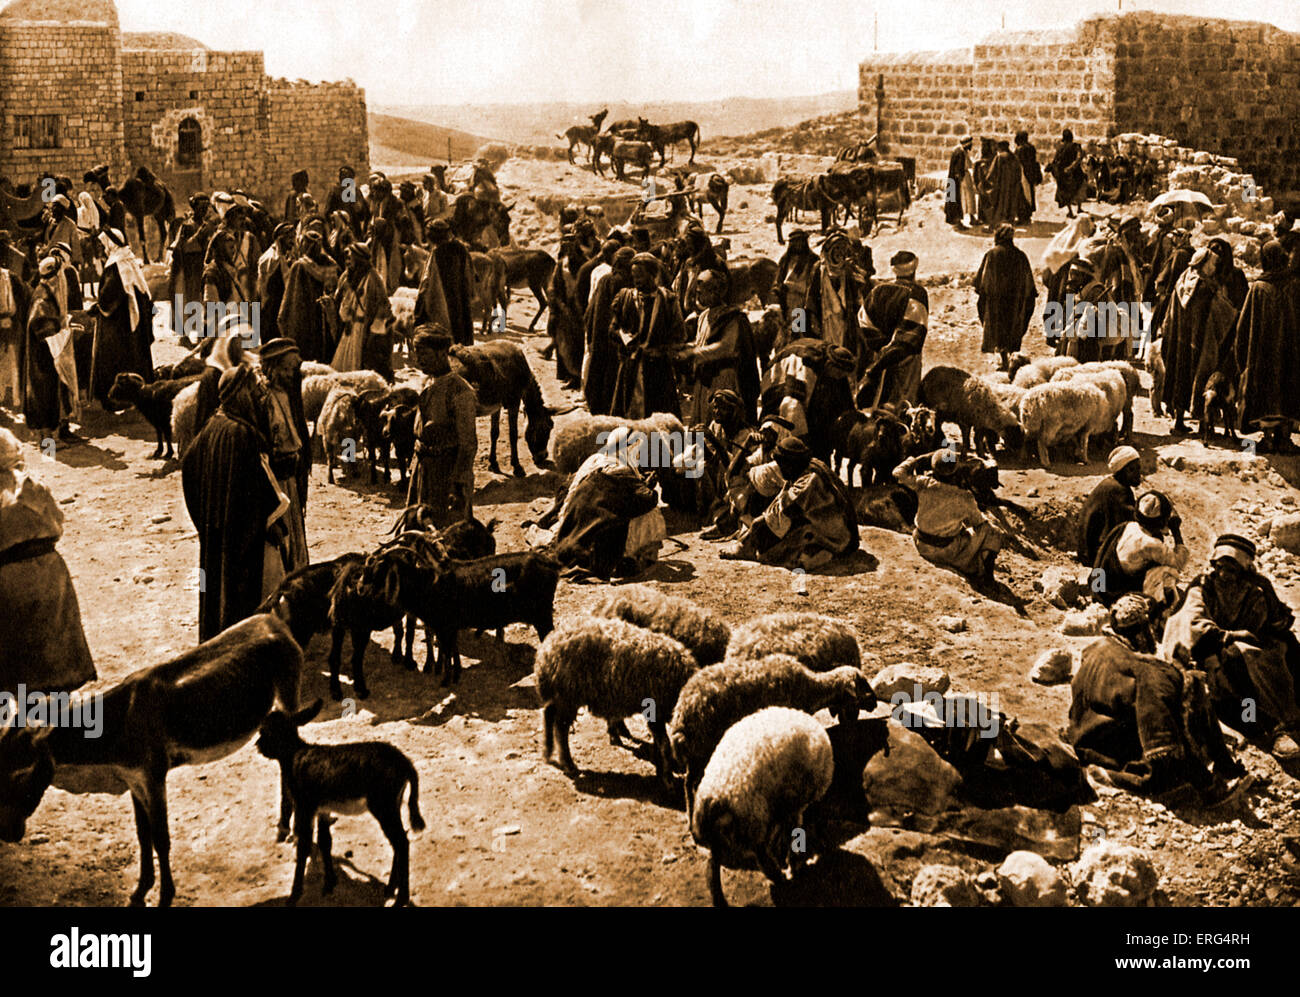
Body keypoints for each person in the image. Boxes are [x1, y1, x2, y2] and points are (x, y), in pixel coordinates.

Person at [1069, 594, 1242, 800]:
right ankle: (1214, 783)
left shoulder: (1095, 649)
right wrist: (1183, 675)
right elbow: (1160, 731)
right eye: (1150, 627)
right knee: (1190, 691)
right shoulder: (1145, 669)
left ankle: (1223, 761)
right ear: (1143, 631)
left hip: (1083, 741)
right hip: (1115, 753)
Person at [1161, 535, 1300, 761]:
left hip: (1240, 648)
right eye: (1221, 567)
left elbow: (1278, 623)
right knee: (1238, 668)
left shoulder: (1252, 588)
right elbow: (1194, 624)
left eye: (1232, 569)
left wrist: (1267, 589)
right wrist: (1230, 636)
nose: (1224, 574)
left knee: (1287, 646)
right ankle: (1265, 728)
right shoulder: (1203, 584)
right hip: (1202, 648)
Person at [182, 364, 289, 640]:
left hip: (215, 533)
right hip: (241, 537)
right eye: (252, 389)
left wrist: (205, 519)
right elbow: (259, 486)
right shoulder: (244, 435)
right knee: (240, 597)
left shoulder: (211, 426)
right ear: (240, 393)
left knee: (214, 591)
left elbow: (189, 467)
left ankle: (214, 645)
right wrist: (271, 524)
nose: (257, 395)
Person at [0, 427, 95, 696]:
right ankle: (61, 723)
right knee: (56, 647)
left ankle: (20, 725)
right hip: (49, 573)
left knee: (16, 655)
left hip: (6, 576)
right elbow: (58, 523)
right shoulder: (34, 486)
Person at [544, 425, 666, 580]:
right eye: (636, 450)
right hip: (593, 549)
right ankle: (632, 555)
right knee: (649, 514)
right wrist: (649, 486)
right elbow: (649, 500)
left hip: (569, 532)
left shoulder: (596, 460)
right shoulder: (622, 471)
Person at [721, 436, 858, 570]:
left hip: (836, 536)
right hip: (836, 528)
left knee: (773, 552)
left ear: (790, 464)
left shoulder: (808, 482)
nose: (780, 469)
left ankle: (823, 552)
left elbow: (782, 512)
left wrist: (750, 537)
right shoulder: (810, 466)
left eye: (782, 465)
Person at [894, 449, 1003, 584]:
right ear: (955, 469)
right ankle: (987, 578)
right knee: (993, 530)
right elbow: (977, 522)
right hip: (946, 550)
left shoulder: (924, 483)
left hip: (921, 544)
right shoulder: (964, 496)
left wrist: (917, 459)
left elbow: (898, 473)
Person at [406, 325, 478, 526]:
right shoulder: (427, 383)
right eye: (416, 353)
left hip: (445, 475)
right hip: (422, 470)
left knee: (444, 535)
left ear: (442, 353)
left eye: (424, 354)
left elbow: (468, 444)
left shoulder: (459, 391)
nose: (418, 359)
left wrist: (458, 484)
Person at [1234, 240, 1300, 454]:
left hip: (1264, 357)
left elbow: (1243, 327)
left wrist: (1242, 358)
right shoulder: (1295, 285)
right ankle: (1286, 439)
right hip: (1292, 354)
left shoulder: (1258, 288)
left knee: (1266, 396)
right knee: (1289, 393)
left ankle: (1269, 439)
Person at [1162, 247, 1237, 435]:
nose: (1215, 267)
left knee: (1180, 378)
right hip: (1202, 343)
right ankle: (1204, 425)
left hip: (1180, 342)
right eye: (1213, 263)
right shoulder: (1205, 287)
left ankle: (1178, 423)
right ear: (1204, 264)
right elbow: (1223, 312)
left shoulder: (1183, 279)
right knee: (1202, 377)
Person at [608, 252, 686, 419]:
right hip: (630, 369)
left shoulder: (668, 300)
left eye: (641, 275)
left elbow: (679, 336)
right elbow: (613, 329)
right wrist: (625, 338)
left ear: (653, 274)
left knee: (659, 423)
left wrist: (663, 350)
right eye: (634, 275)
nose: (637, 280)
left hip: (659, 371)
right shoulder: (625, 298)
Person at [681, 269, 759, 427]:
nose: (699, 296)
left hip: (723, 381)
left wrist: (694, 353)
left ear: (717, 292)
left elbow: (726, 348)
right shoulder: (703, 316)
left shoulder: (733, 317)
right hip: (704, 381)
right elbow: (701, 343)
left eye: (702, 292)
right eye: (698, 292)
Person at [258, 338, 310, 571]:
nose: (291, 374)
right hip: (274, 480)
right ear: (272, 368)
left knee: (295, 527)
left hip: (291, 476)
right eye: (286, 369)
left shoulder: (292, 396)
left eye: (294, 369)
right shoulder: (263, 399)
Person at [90, 227, 153, 406]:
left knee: (115, 357)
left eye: (104, 245)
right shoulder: (128, 259)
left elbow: (109, 294)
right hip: (131, 320)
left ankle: (116, 397)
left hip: (118, 323)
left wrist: (98, 305)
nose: (103, 249)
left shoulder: (114, 265)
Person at [857, 250, 928, 408]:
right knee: (902, 405)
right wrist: (893, 350)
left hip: (877, 357)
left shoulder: (878, 290)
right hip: (905, 361)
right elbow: (913, 335)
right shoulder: (917, 293)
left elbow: (863, 322)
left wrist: (880, 348)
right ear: (914, 267)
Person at [1092, 491, 1187, 609]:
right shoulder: (1151, 544)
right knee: (1167, 572)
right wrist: (1176, 530)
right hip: (1115, 593)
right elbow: (1179, 562)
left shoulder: (1127, 526)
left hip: (1101, 585)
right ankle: (1161, 610)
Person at [24, 256, 79, 443]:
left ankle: (55, 440)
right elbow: (44, 330)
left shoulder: (47, 293)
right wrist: (68, 334)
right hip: (42, 360)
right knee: (44, 401)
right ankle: (49, 451)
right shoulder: (42, 299)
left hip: (48, 357)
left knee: (50, 399)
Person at [974, 223, 1037, 370]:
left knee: (998, 328)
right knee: (1014, 327)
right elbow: (1029, 284)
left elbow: (982, 282)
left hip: (997, 302)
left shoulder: (992, 254)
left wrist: (985, 294)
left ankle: (1004, 359)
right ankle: (1011, 357)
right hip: (1015, 302)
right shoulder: (1021, 255)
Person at [583, 245, 634, 415]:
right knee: (613, 379)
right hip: (616, 339)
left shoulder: (606, 279)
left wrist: (590, 333)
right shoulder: (626, 283)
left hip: (599, 335)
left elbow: (590, 310)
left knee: (599, 372)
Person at [277, 230, 340, 363]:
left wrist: (285, 317)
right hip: (327, 317)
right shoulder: (331, 265)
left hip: (305, 319)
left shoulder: (299, 266)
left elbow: (291, 298)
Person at [332, 243, 393, 376]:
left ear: (359, 259)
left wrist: (374, 332)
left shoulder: (373, 278)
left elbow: (384, 306)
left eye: (351, 258)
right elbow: (340, 299)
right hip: (350, 330)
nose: (347, 262)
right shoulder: (347, 276)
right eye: (347, 259)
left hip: (366, 331)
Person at [1078, 445, 1142, 565]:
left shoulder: (1112, 484)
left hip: (1090, 551)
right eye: (1132, 470)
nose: (1138, 473)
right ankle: (1101, 583)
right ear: (1121, 471)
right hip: (1096, 556)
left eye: (1138, 468)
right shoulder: (1118, 490)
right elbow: (1132, 523)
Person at [423, 218, 474, 347]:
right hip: (461, 296)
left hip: (443, 298)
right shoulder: (461, 247)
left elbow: (427, 279)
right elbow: (470, 272)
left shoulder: (436, 253)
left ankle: (499, 326)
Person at [0, 233, 32, 411]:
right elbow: (26, 286)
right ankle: (14, 397)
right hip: (14, 317)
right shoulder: (19, 260)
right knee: (13, 358)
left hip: (9, 317)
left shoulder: (9, 273)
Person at [775, 229, 818, 336]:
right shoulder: (785, 259)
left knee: (799, 330)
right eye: (796, 242)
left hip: (804, 300)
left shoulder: (812, 259)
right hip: (788, 299)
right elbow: (779, 278)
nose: (798, 245)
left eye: (801, 241)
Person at [980, 139, 1024, 231]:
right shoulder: (1014, 157)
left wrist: (985, 182)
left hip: (1000, 188)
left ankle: (993, 227)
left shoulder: (999, 157)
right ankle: (1008, 228)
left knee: (998, 208)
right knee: (1010, 207)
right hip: (1012, 188)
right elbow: (1019, 173)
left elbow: (992, 173)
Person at [1047, 128, 1085, 217]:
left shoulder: (1061, 148)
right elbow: (1079, 157)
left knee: (1066, 192)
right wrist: (1072, 167)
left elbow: (1056, 160)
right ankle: (1079, 208)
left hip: (1064, 173)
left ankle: (1070, 211)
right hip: (1076, 172)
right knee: (1078, 189)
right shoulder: (1076, 146)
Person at [944, 135, 975, 229]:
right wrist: (960, 179)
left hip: (953, 179)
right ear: (967, 144)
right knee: (957, 200)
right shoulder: (960, 152)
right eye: (970, 144)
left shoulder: (960, 151)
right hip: (956, 180)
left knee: (956, 199)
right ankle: (958, 223)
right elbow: (958, 169)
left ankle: (963, 220)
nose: (971, 146)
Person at [1013, 130, 1042, 223]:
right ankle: (1028, 214)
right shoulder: (1031, 147)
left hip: (1023, 173)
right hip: (1031, 173)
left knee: (1022, 195)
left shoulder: (1020, 149)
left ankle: (1023, 216)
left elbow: (1017, 161)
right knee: (1030, 194)